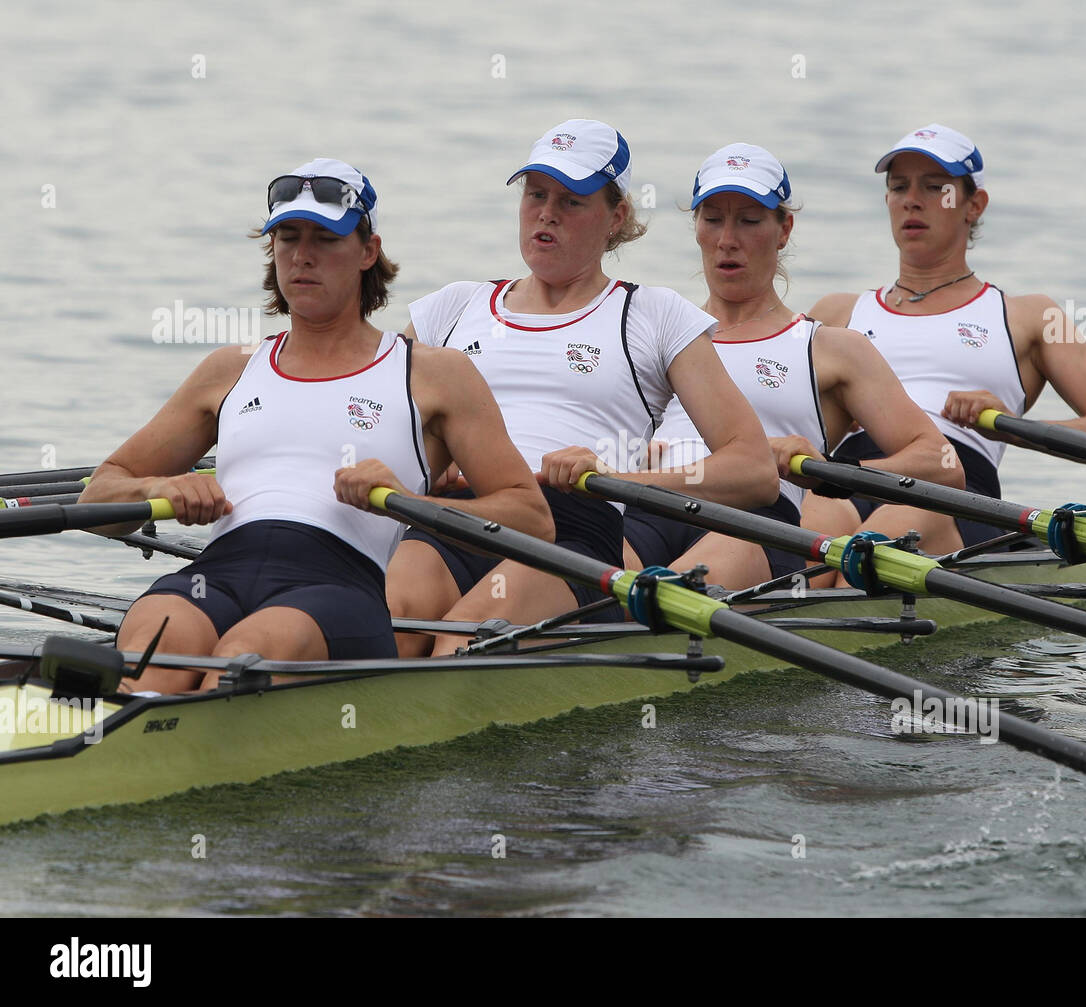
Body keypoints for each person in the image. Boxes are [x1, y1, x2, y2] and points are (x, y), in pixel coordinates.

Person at [82, 158, 551, 693]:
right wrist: (157, 486)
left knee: (242, 659)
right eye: (288, 236)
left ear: (367, 252)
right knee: (151, 645)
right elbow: (101, 498)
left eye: (326, 238)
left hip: (338, 586)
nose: (302, 256)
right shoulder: (229, 368)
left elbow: (532, 519)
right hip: (218, 572)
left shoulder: (432, 373)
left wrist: (409, 502)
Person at [395, 119, 777, 654]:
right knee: (388, 627)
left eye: (571, 201)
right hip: (458, 511)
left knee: (459, 643)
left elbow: (754, 470)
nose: (546, 213)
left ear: (616, 216)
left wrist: (617, 478)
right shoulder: (451, 307)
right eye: (536, 194)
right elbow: (371, 419)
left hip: (570, 526)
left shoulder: (654, 314)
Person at [621, 144, 962, 589]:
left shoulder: (830, 348)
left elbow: (944, 463)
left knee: (666, 593)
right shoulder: (657, 335)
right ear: (697, 229)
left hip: (753, 521)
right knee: (583, 587)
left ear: (784, 229)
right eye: (713, 219)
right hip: (648, 507)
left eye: (748, 220)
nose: (728, 239)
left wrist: (834, 470)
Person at [805, 124, 1086, 557]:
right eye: (898, 187)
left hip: (955, 491)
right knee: (809, 520)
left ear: (974, 205)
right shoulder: (836, 314)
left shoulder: (1027, 316)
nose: (912, 199)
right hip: (848, 476)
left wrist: (1013, 425)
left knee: (884, 531)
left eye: (935, 187)